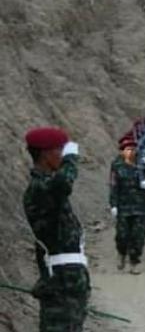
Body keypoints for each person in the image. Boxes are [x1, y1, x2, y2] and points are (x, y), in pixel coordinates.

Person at [23, 127, 90, 332]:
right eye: (60, 151)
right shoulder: (39, 188)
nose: (62, 157)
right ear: (45, 154)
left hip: (68, 281)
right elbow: (63, 184)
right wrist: (71, 159)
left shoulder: (48, 186)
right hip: (60, 282)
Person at [109, 138, 145, 275]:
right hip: (124, 207)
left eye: (133, 149)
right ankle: (121, 253)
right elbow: (113, 187)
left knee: (137, 236)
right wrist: (113, 204)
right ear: (122, 152)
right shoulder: (117, 167)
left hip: (140, 207)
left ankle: (134, 262)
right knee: (122, 235)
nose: (131, 152)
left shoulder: (143, 165)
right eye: (128, 150)